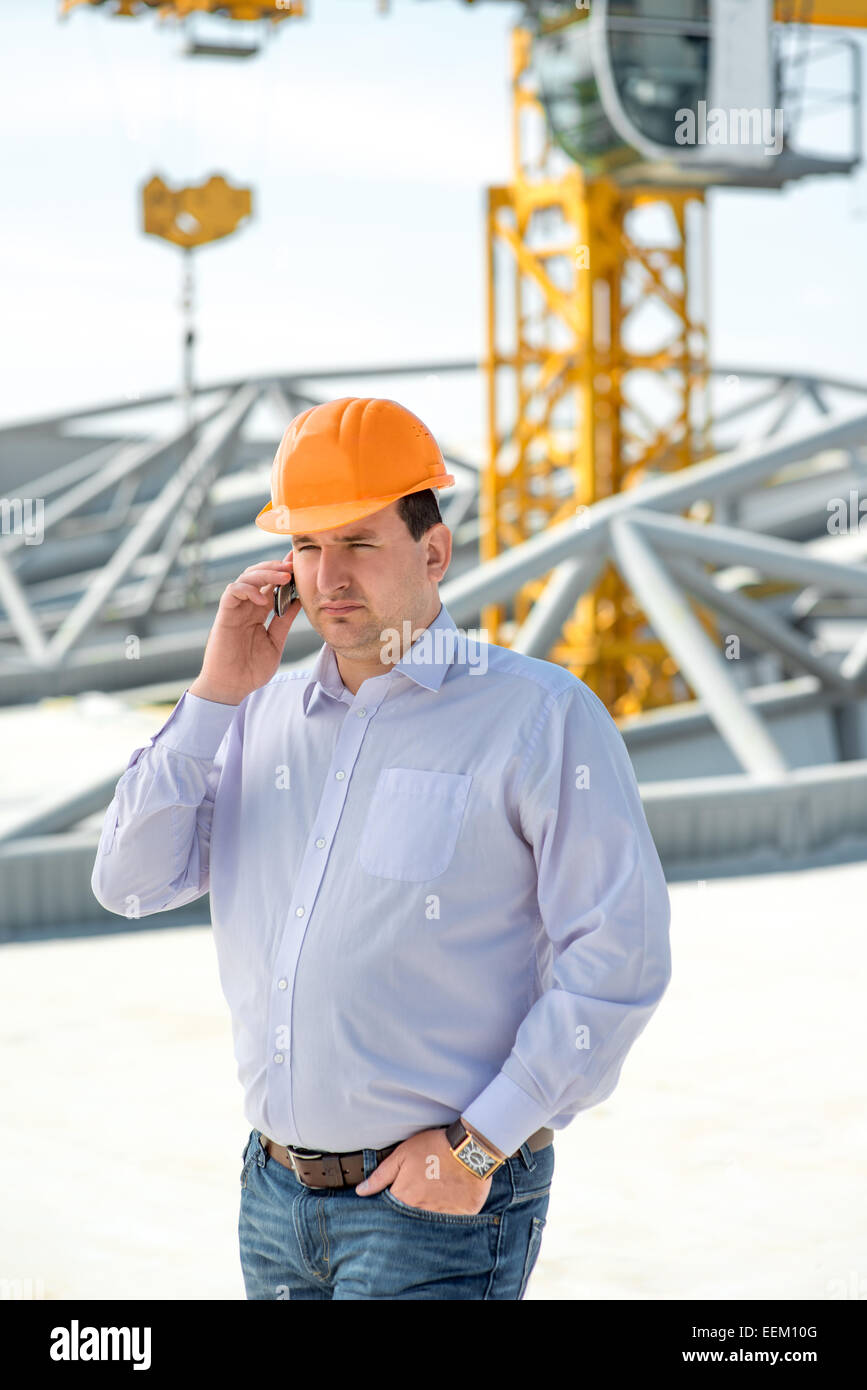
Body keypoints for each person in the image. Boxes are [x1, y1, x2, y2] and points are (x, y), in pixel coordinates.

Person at [92, 395, 672, 1301]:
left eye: (359, 543)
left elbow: (618, 960)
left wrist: (480, 1145)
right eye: (309, 547)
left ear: (432, 551)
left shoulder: (536, 716)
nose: (329, 576)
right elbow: (128, 882)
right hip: (275, 1198)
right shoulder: (257, 718)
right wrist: (212, 696)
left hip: (437, 1208)